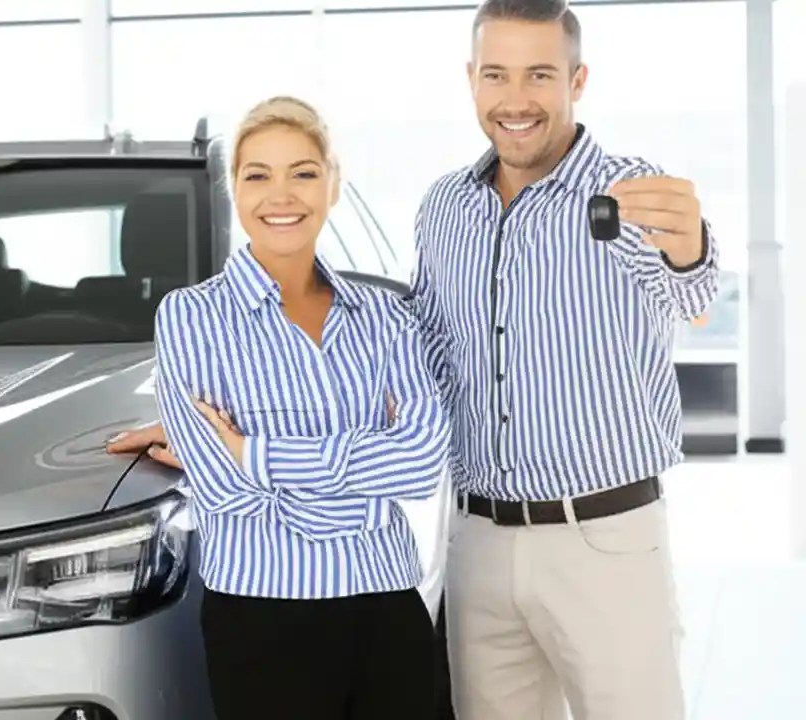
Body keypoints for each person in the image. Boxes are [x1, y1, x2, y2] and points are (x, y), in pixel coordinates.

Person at [109, 2, 718, 719]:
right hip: (478, 540)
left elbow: (692, 293)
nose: (515, 98)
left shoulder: (624, 193)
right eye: (496, 74)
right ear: (472, 79)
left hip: (602, 538)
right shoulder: (446, 207)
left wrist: (691, 249)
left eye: (539, 75)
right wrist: (214, 432)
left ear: (576, 81)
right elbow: (424, 354)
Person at [148, 95, 450, 719]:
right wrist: (362, 496)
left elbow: (422, 463)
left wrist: (256, 453)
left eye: (303, 172)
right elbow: (222, 486)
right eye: (258, 175)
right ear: (235, 189)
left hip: (388, 611)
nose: (281, 196)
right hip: (263, 619)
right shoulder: (190, 318)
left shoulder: (385, 317)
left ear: (333, 185)